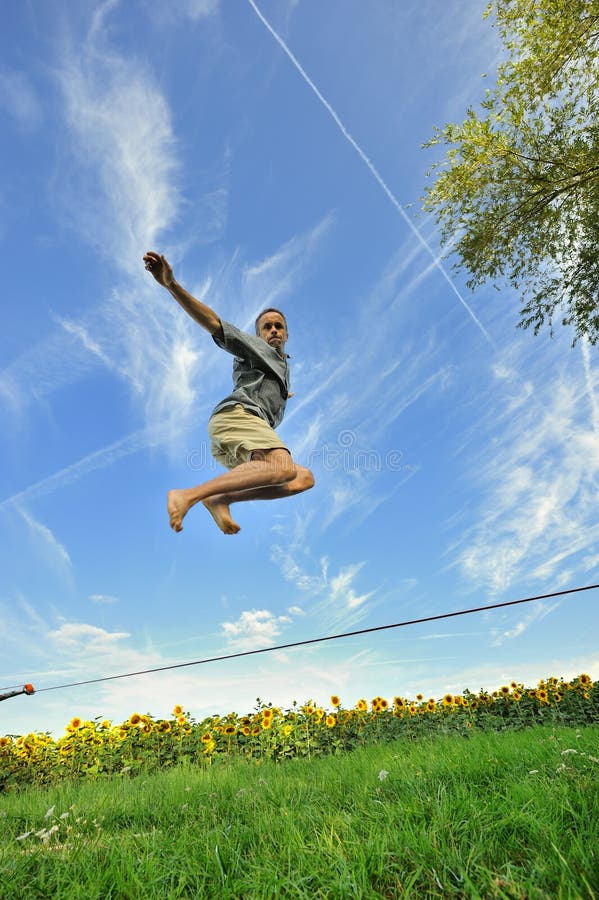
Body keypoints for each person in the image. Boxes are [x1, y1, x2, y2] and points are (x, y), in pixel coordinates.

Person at [143, 251, 315, 534]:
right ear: (258, 335)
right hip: (236, 416)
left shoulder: (281, 367)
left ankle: (221, 498)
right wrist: (172, 285)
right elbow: (214, 324)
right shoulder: (256, 348)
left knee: (303, 478)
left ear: (286, 334)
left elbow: (263, 382)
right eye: (266, 327)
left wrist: (281, 395)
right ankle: (189, 495)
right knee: (284, 468)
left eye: (278, 326)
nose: (273, 330)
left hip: (237, 433)